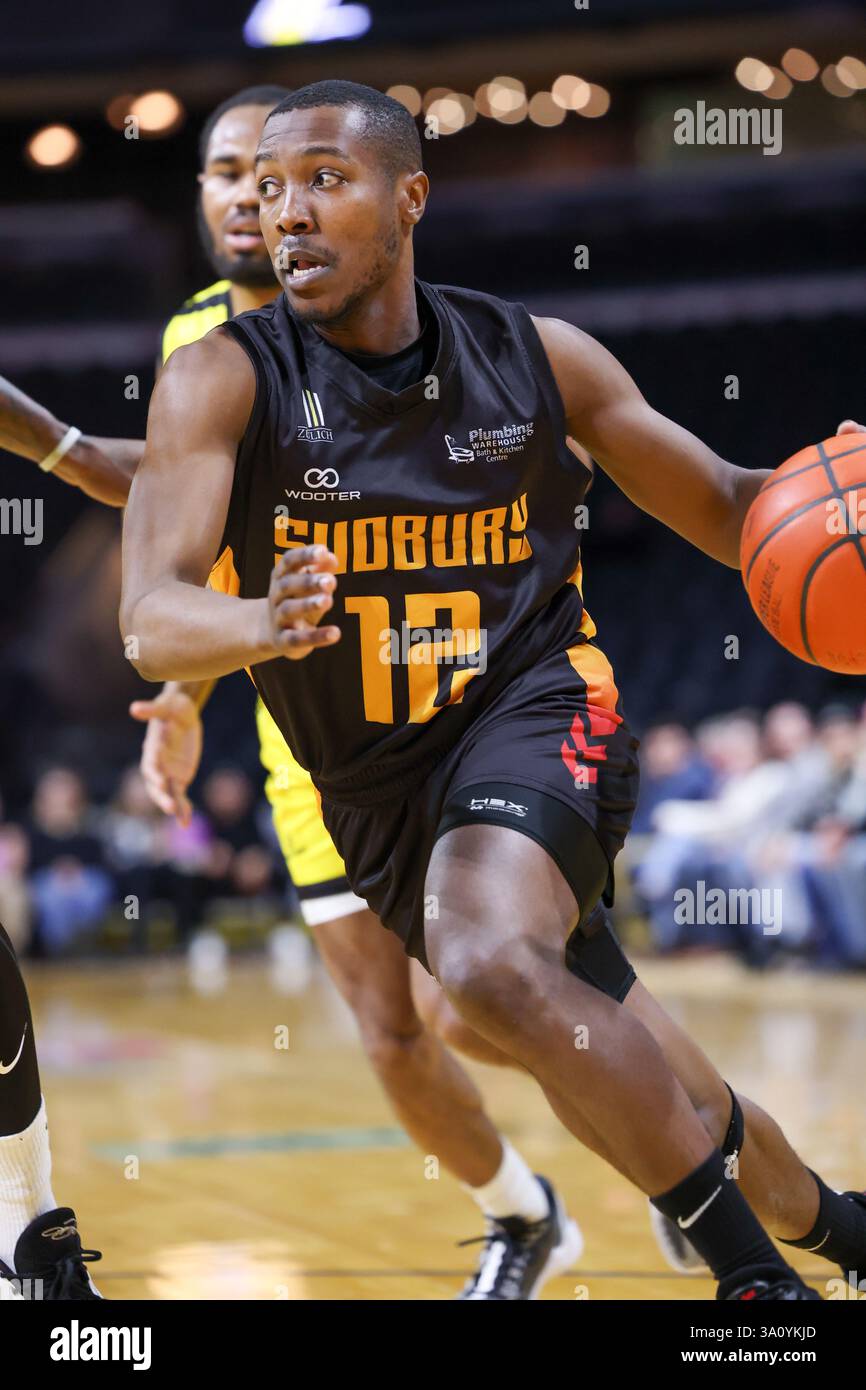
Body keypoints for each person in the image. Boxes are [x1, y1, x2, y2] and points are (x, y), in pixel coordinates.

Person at [119, 79, 866, 1300]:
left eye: (323, 181)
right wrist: (259, 619)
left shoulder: (536, 359)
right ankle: (827, 1227)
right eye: (265, 190)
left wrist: (829, 489)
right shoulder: (222, 379)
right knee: (565, 1030)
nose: (283, 213)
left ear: (409, 197)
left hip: (534, 705)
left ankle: (752, 1290)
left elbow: (733, 509)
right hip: (375, 789)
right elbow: (150, 618)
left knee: (474, 968)